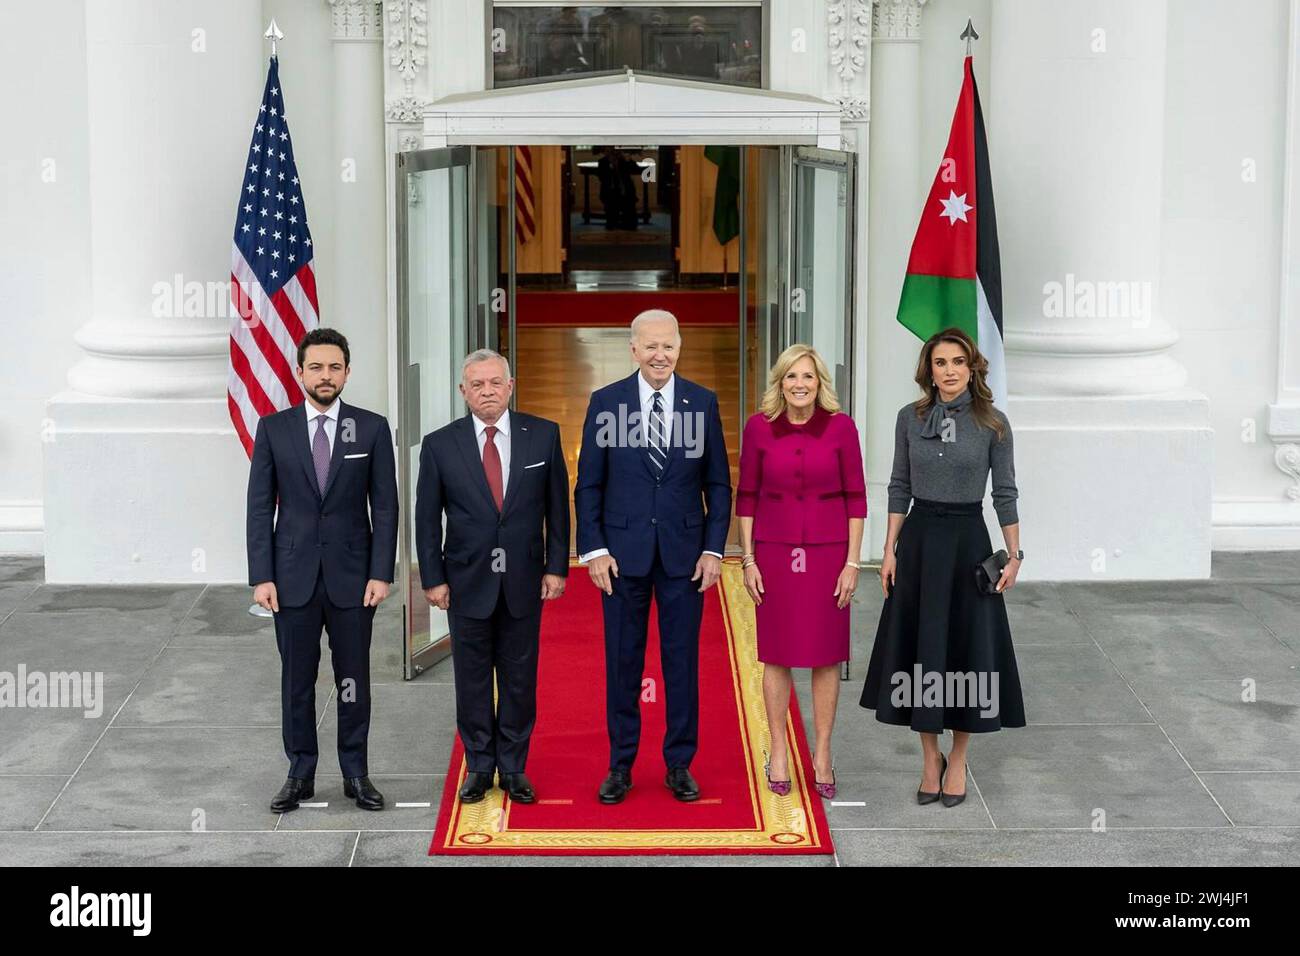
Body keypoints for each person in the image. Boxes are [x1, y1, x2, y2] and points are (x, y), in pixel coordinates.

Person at [860, 326, 1026, 808]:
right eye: (940, 363)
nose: (949, 371)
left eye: (957, 362)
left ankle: (959, 757)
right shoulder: (908, 419)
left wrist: (1014, 556)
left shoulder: (994, 424)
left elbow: (1005, 493)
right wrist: (889, 548)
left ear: (971, 368)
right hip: (920, 541)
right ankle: (929, 757)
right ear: (928, 371)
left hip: (968, 544)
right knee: (922, 650)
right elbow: (898, 485)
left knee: (965, 650)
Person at [574, 309, 732, 804]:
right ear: (633, 350)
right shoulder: (607, 403)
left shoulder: (701, 403)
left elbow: (718, 484)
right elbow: (589, 484)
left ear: (679, 347)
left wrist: (713, 548)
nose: (660, 354)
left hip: (685, 559)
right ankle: (621, 765)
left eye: (669, 345)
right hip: (621, 560)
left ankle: (679, 763)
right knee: (623, 663)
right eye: (651, 346)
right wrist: (594, 549)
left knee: (681, 662)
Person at [247, 328, 398, 813]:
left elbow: (387, 508)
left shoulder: (372, 429)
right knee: (297, 679)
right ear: (299, 372)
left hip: (354, 579)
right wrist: (261, 576)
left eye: (335, 367)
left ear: (347, 373)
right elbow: (258, 509)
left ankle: (356, 772)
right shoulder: (274, 428)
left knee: (353, 678)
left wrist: (382, 572)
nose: (325, 376)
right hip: (290, 578)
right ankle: (300, 772)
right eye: (316, 367)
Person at [415, 349, 570, 805]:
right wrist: (433, 578)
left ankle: (515, 766)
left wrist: (556, 567)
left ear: (511, 385)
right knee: (473, 678)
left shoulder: (542, 436)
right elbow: (427, 520)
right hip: (466, 583)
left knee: (520, 677)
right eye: (477, 385)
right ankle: (480, 765)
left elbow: (557, 510)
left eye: (494, 383)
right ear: (463, 391)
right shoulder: (441, 444)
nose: (487, 392)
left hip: (524, 579)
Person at [735, 345, 866, 801]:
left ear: (819, 382)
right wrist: (748, 559)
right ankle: (778, 751)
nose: (800, 384)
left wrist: (853, 562)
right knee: (778, 655)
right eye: (791, 376)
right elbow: (746, 496)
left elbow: (857, 499)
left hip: (829, 557)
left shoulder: (842, 428)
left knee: (826, 655)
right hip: (774, 554)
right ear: (780, 382)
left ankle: (823, 753)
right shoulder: (758, 428)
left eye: (808, 376)